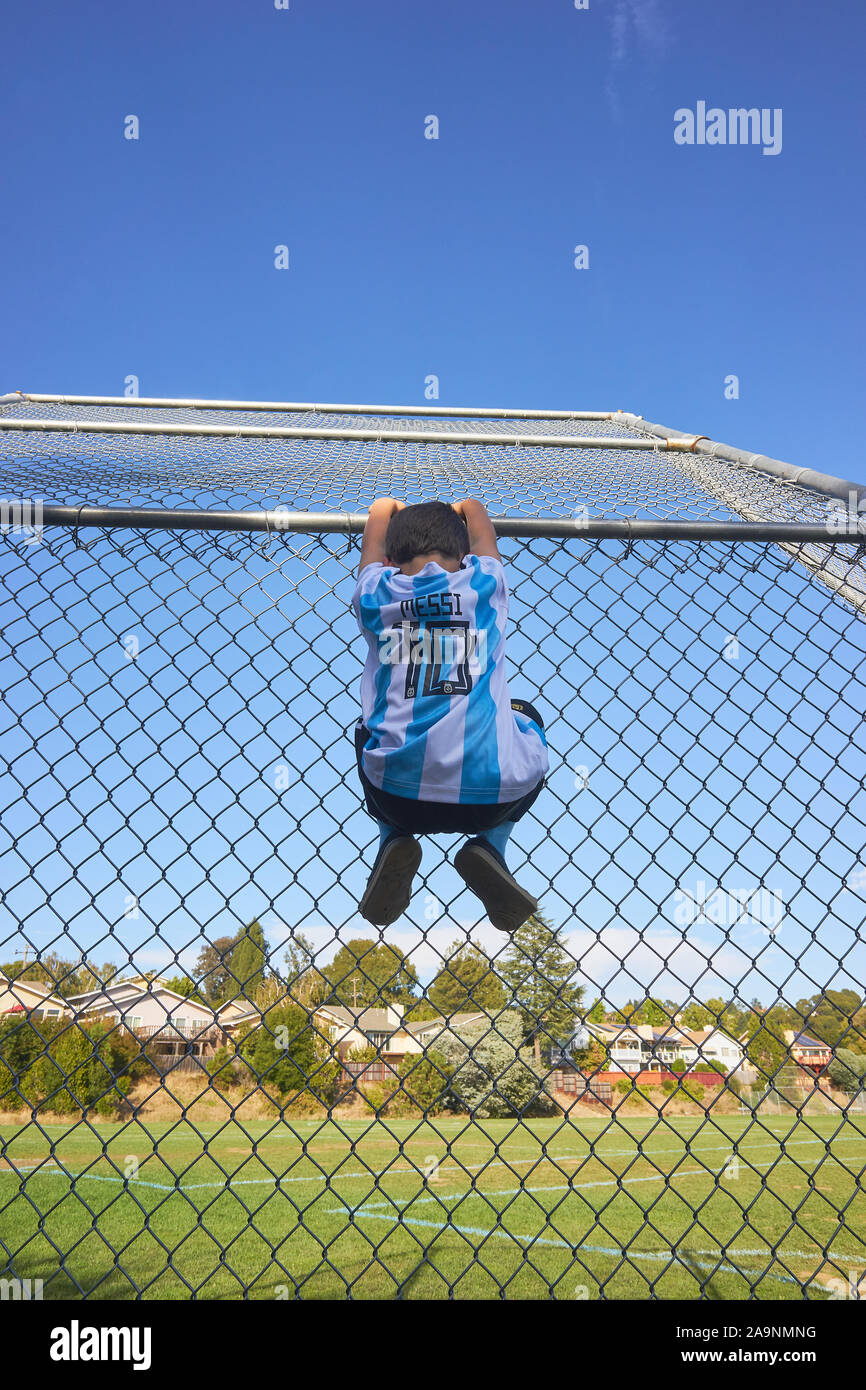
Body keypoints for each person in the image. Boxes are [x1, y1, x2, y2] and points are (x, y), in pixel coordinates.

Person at [351, 496, 548, 932]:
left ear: (388, 559)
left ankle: (392, 837)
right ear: (465, 558)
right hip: (493, 796)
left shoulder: (375, 594)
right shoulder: (484, 587)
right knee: (525, 712)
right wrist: (470, 506)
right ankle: (493, 846)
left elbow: (369, 550)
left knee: (366, 730)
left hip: (397, 794)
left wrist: (383, 507)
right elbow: (484, 538)